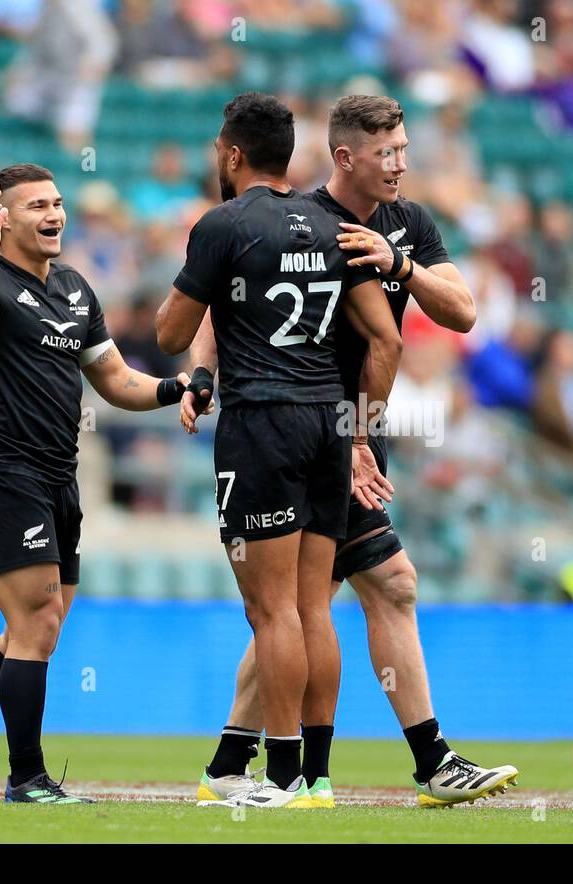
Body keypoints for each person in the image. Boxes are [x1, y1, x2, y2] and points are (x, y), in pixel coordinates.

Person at [182, 94, 518, 808]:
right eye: (386, 154)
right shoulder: (298, 219)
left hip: (351, 437)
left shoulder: (408, 224)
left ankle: (229, 762)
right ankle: (429, 761)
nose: (400, 165)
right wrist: (203, 375)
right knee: (378, 587)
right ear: (345, 157)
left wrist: (400, 266)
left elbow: (460, 311)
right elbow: (221, 304)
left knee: (298, 611)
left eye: (403, 150)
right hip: (311, 435)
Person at [0, 163, 189, 803]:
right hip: (6, 472)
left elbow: (115, 381)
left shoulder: (77, 288)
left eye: (57, 202)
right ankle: (25, 777)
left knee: (40, 629)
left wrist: (176, 389)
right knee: (35, 623)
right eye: (36, 206)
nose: (55, 214)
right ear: (1, 220)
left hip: (61, 477)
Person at [156, 93, 403, 808]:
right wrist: (360, 432)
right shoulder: (335, 228)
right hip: (329, 425)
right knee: (311, 608)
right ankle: (317, 778)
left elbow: (172, 334)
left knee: (270, 613)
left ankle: (285, 775)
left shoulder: (223, 224)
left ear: (233, 154)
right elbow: (385, 340)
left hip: (262, 423)